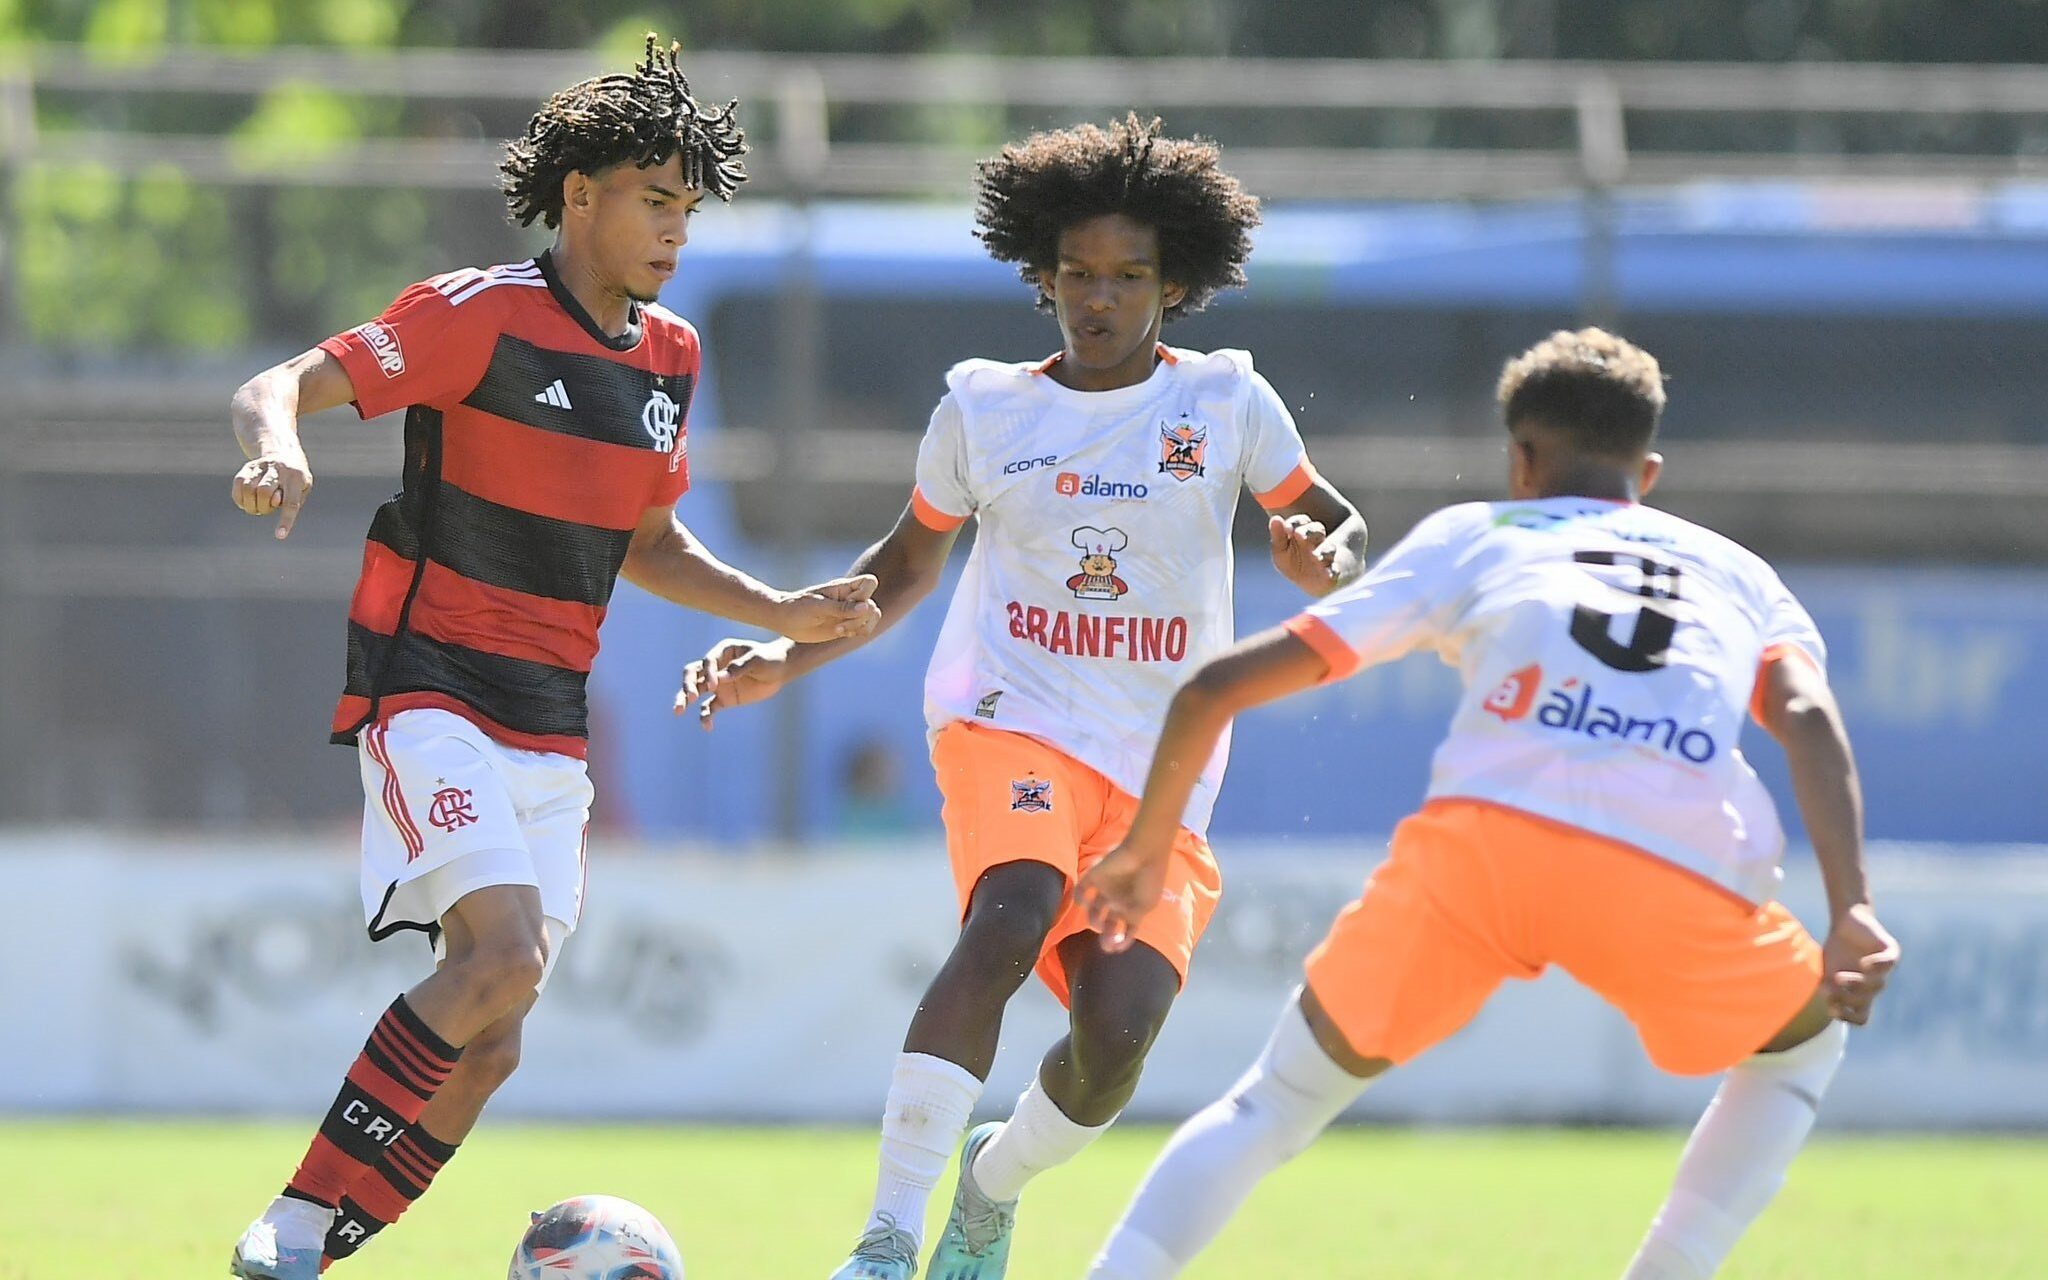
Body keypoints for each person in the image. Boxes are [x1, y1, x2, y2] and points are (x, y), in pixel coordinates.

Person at [222, 37, 879, 1279]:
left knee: (497, 1038)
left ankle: (326, 1243)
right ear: (579, 195)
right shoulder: (476, 316)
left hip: (550, 727)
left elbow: (648, 539)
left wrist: (776, 605)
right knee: (503, 957)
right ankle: (299, 1217)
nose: (676, 229)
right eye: (654, 199)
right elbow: (277, 384)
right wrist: (283, 448)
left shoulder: (672, 358)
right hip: (431, 693)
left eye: (689, 205)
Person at [678, 114, 1368, 1280]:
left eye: (1126, 277)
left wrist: (1321, 557)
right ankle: (888, 1236)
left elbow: (1333, 520)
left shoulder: (1227, 406)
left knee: (1114, 1039)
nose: (1096, 298)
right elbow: (901, 568)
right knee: (1009, 910)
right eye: (1076, 275)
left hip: (1163, 761)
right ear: (1041, 278)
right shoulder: (984, 412)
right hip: (1011, 715)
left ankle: (989, 1185)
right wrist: (780, 650)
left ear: (1175, 283)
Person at [1076, 327, 1902, 1280]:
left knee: (1271, 1105)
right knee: (1797, 1053)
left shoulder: (1478, 535)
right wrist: (1852, 912)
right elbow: (1807, 718)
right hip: (1675, 857)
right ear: (1651, 469)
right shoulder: (1738, 571)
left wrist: (1143, 850)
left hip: (1485, 846)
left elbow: (1210, 691)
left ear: (1520, 459)